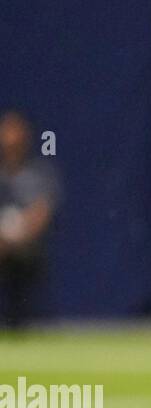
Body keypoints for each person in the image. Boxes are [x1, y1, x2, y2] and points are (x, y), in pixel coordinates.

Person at [0, 110, 60, 329]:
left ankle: (21, 322)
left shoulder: (39, 173)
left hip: (26, 248)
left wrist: (15, 235)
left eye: (16, 131)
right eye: (6, 131)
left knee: (24, 258)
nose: (10, 138)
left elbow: (41, 213)